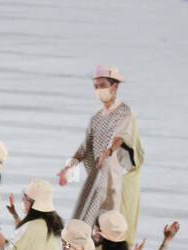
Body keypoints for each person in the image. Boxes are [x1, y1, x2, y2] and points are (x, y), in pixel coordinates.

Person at [58, 65, 144, 240]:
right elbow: (85, 146)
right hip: (96, 172)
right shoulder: (96, 118)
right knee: (86, 215)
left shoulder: (124, 112)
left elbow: (121, 136)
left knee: (107, 216)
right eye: (96, 86)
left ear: (115, 86)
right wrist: (69, 167)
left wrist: (108, 151)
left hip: (111, 171)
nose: (99, 90)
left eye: (103, 85)